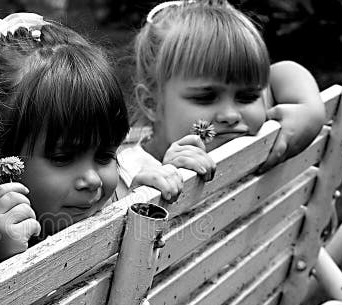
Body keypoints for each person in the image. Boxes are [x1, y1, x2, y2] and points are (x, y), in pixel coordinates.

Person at [0, 13, 140, 267]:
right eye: (63, 158)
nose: (92, 179)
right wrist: (0, 259)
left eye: (104, 156)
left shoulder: (109, 209)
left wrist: (140, 201)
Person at [116, 0, 326, 198]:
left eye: (248, 96)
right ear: (151, 103)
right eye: (206, 98)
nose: (230, 115)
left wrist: (311, 113)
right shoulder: (128, 177)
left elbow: (283, 72)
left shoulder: (246, 137)